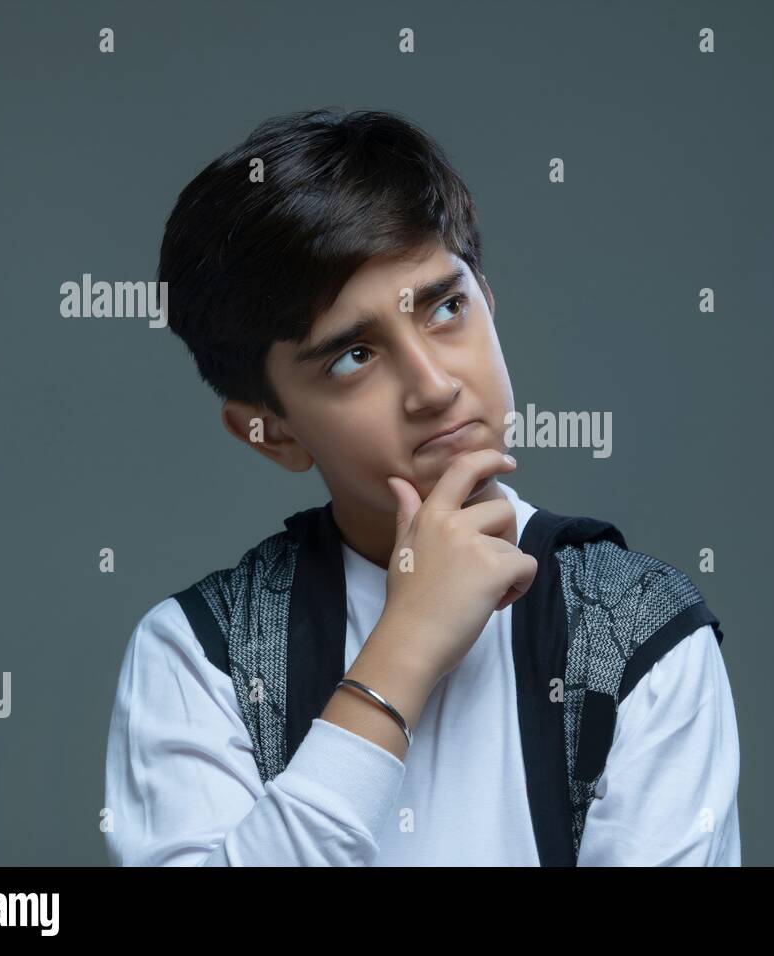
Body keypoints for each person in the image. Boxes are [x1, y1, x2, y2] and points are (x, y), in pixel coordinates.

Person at [103, 109, 740, 866]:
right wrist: (404, 649)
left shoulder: (637, 631)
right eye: (354, 357)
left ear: (489, 306)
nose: (435, 386)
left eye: (446, 309)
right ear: (270, 431)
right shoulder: (200, 653)